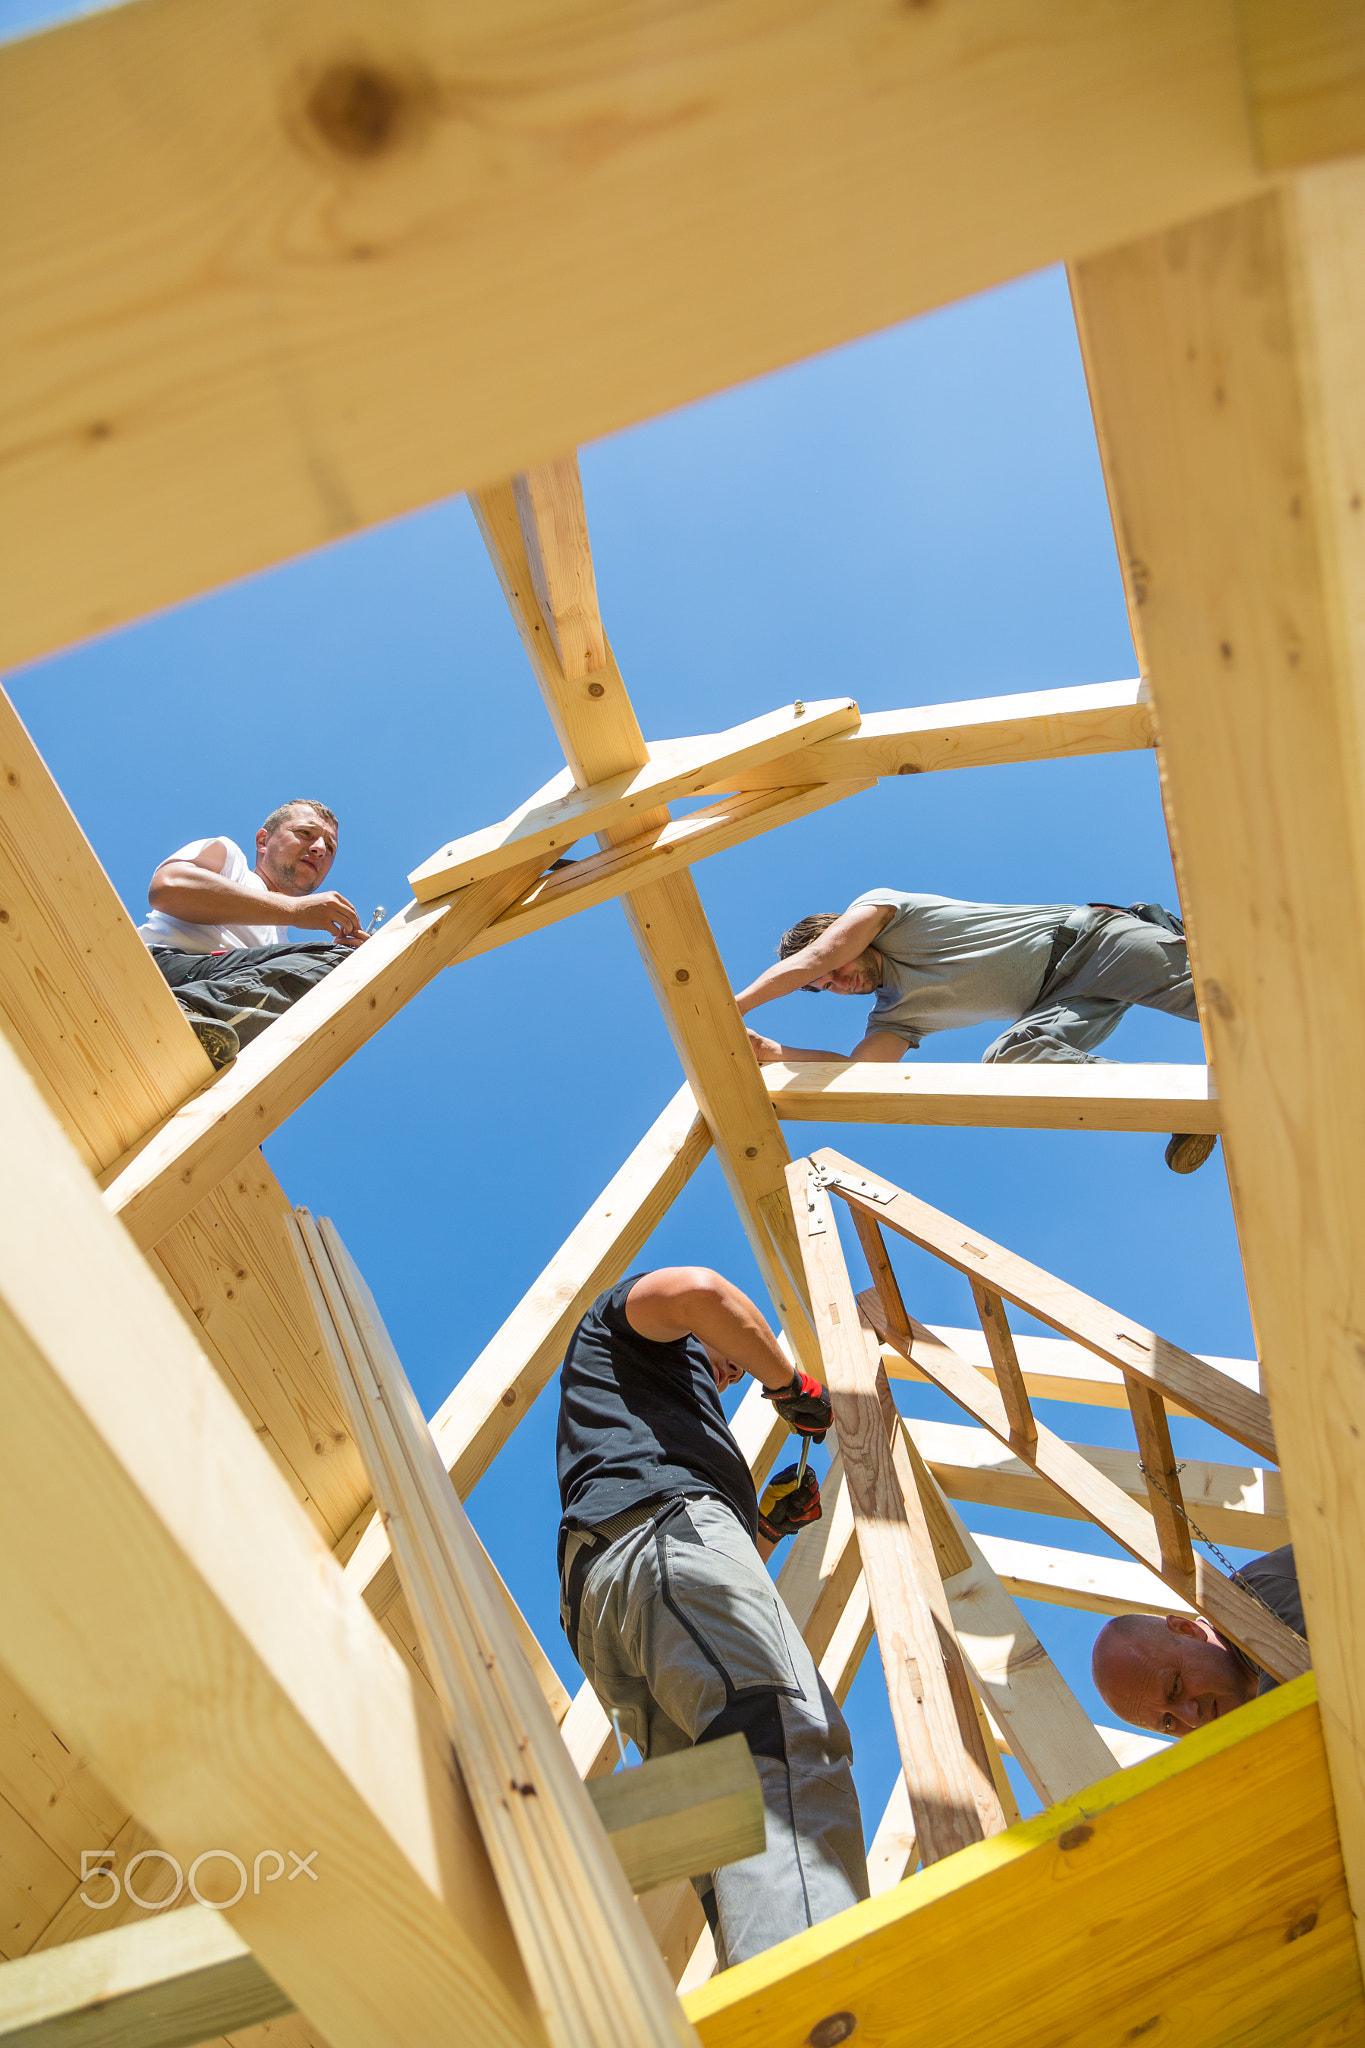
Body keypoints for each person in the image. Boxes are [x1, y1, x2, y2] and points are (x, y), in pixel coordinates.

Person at [557, 1266, 868, 1967]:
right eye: (729, 1360)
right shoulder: (624, 1330)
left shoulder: (638, 1422)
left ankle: (759, 1996)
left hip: (617, 1600)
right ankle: (821, 2003)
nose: (733, 1375)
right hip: (657, 1540)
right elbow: (701, 1293)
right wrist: (790, 1384)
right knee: (782, 1741)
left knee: (725, 1820)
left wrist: (764, 1525)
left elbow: (683, 1602)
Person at [734, 888, 1215, 1173]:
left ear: (841, 936)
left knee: (1225, 1006)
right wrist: (777, 1053)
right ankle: (1182, 1103)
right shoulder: (895, 1014)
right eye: (825, 988)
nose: (838, 982)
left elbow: (813, 959)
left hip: (1096, 942)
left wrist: (728, 1010)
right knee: (1009, 1062)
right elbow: (862, 1072)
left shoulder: (885, 910)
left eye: (835, 969)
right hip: (1059, 1000)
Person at [138, 800, 367, 1069]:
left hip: (219, 1015)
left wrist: (340, 964)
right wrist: (293, 910)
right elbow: (168, 887)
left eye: (329, 847)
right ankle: (184, 1013)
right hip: (156, 973)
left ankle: (202, 1027)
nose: (318, 849)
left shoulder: (281, 953)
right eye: (305, 833)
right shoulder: (230, 860)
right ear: (263, 841)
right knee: (335, 959)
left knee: (343, 968)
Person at [1091, 1546, 1305, 1735]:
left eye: (1175, 1687)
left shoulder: (1256, 1595)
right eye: (1168, 1723)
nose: (1192, 1719)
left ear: (1188, 1629)